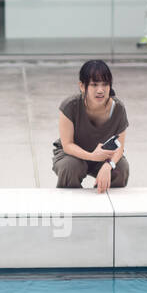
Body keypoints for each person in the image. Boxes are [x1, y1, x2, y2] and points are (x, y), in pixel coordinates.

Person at [53, 59, 130, 193]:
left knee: (121, 168)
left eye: (105, 84)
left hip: (103, 156)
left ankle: (104, 204)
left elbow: (120, 147)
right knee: (70, 167)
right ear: (82, 86)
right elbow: (67, 145)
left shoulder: (118, 108)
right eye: (94, 85)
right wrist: (92, 155)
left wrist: (108, 165)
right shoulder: (70, 106)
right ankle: (72, 206)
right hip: (72, 155)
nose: (100, 90)